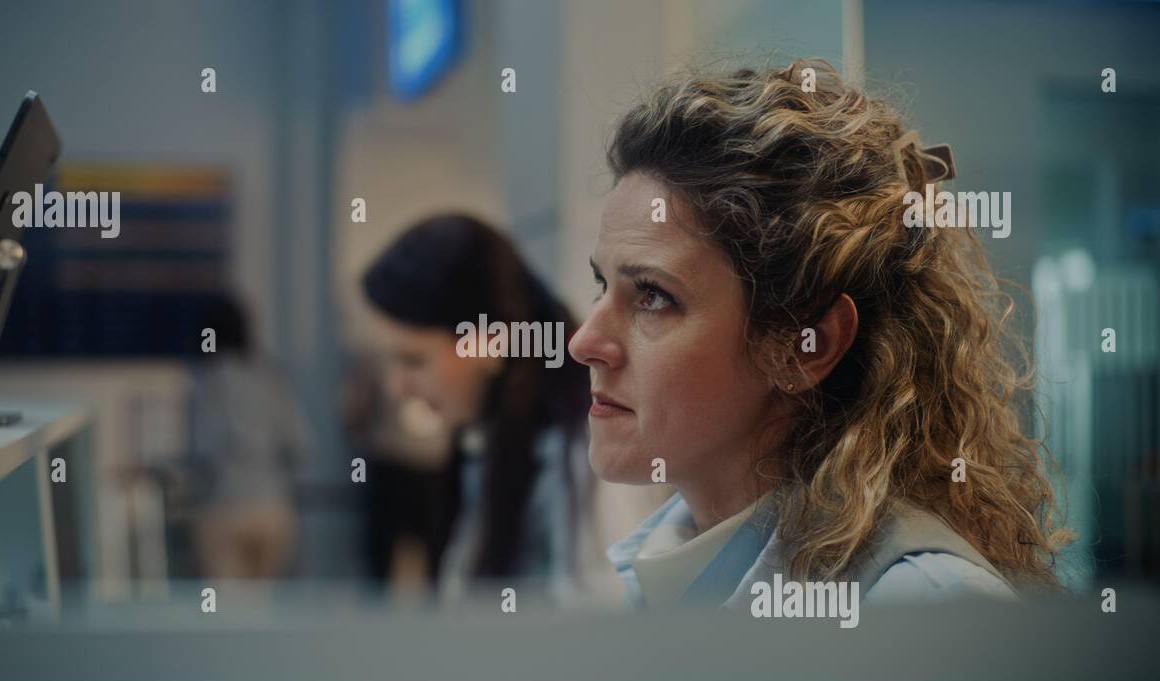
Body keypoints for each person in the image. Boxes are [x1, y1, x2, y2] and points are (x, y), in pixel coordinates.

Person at [567, 60, 1075, 609]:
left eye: (652, 296)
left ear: (807, 345)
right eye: (602, 285)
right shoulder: (643, 580)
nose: (584, 342)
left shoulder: (929, 604)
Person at [363, 214, 596, 603]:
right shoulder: (487, 445)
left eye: (415, 360)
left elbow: (604, 624)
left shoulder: (582, 452)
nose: (396, 386)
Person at [186, 294, 305, 579]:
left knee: (228, 614)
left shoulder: (208, 381)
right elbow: (298, 443)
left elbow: (204, 450)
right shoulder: (271, 376)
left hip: (225, 506)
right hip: (274, 510)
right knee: (262, 610)